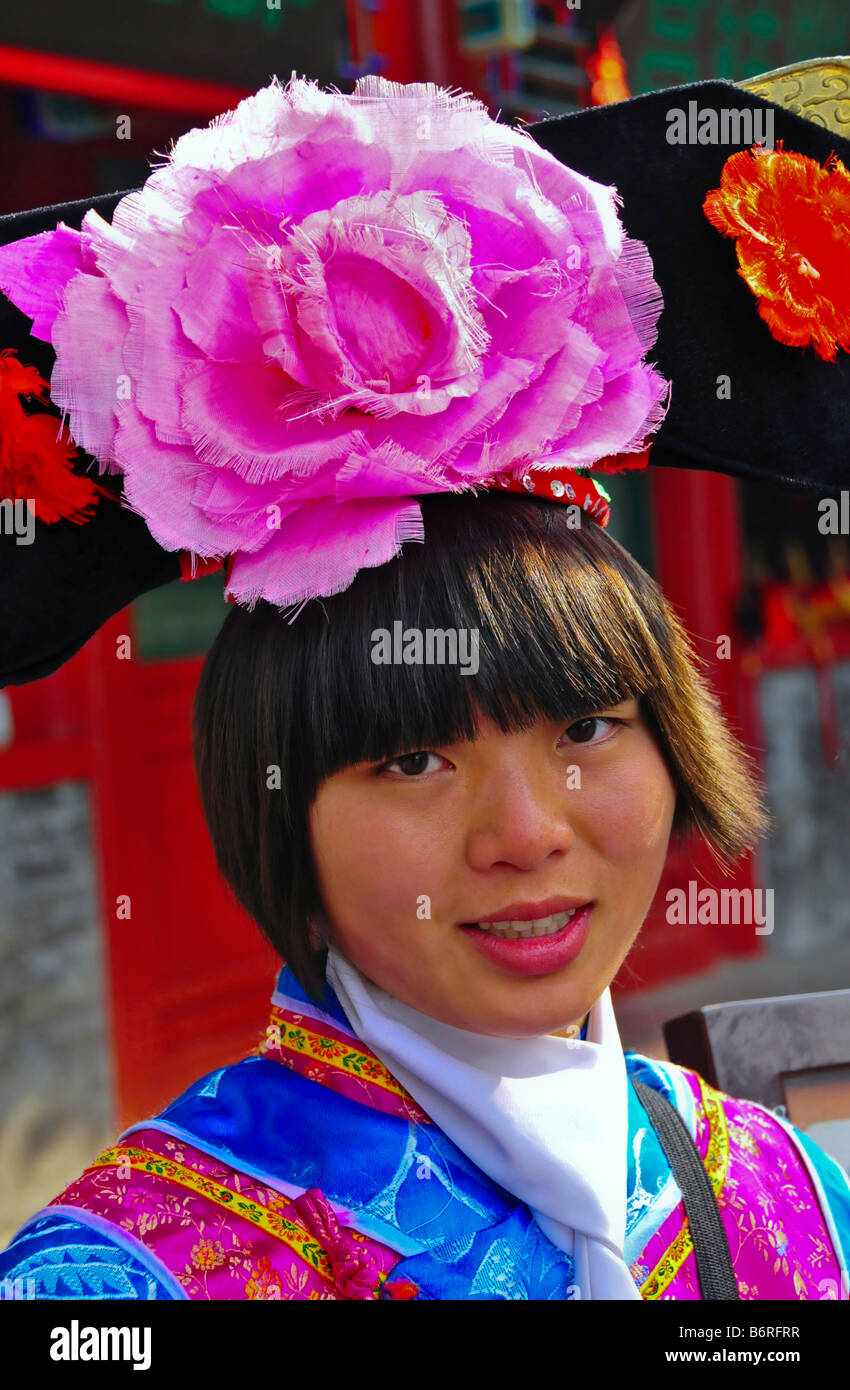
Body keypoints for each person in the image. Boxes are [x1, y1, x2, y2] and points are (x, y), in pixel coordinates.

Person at [0, 68, 848, 1301]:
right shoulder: (129, 1277)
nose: (525, 834)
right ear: (273, 801)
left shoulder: (771, 1185)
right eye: (410, 759)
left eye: (586, 724)